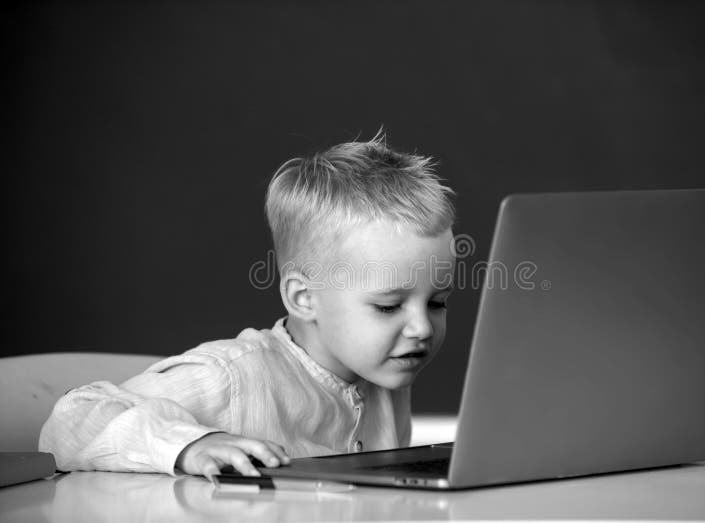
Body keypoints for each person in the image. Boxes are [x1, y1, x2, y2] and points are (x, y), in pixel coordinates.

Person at [39, 133, 456, 482]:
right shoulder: (234, 377)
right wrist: (192, 445)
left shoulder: (382, 375)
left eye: (437, 302)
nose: (421, 327)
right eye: (388, 307)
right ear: (304, 298)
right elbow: (72, 419)